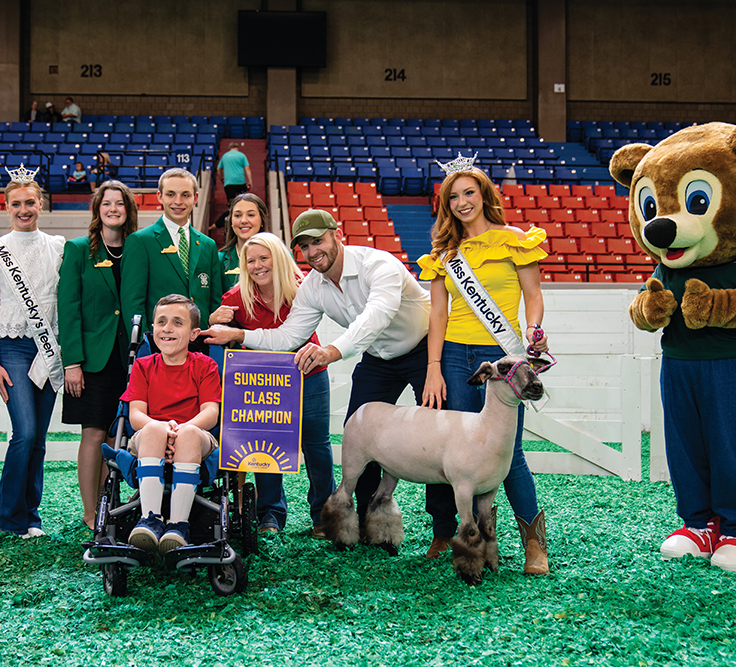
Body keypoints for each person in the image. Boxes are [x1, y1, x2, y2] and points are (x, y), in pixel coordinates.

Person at [203, 209, 430, 528]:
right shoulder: (311, 286)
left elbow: (376, 315)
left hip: (423, 350)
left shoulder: (378, 264)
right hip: (375, 358)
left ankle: (446, 527)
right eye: (305, 247)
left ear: (336, 233)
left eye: (318, 241)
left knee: (435, 433)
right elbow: (288, 336)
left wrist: (331, 351)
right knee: (358, 433)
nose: (313, 252)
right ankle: (365, 519)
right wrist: (238, 333)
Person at [417, 163, 551, 574]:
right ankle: (477, 544)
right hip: (455, 354)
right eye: (453, 197)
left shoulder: (515, 241)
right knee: (463, 450)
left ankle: (534, 544)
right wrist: (433, 367)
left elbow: (534, 295)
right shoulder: (444, 252)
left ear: (485, 194)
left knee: (511, 455)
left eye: (468, 193)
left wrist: (534, 331)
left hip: (504, 354)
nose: (461, 203)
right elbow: (438, 313)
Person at [0, 174, 65, 538]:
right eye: (17, 204)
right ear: (7, 207)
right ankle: (9, 517)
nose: (24, 209)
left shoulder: (59, 246)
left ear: (40, 205)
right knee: (24, 432)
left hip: (49, 347)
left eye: (30, 202)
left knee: (40, 439)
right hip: (12, 346)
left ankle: (31, 515)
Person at [59, 180, 139, 530]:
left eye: (119, 204)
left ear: (128, 210)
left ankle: (112, 509)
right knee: (93, 435)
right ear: (97, 210)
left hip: (130, 359)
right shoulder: (78, 250)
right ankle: (91, 514)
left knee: (116, 437)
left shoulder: (137, 248)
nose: (112, 209)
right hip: (92, 360)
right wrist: (72, 362)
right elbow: (68, 308)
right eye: (106, 204)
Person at [125, 294, 222, 554]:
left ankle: (179, 524)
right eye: (161, 322)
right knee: (153, 427)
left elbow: (211, 412)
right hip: (151, 437)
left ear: (194, 333)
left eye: (178, 323)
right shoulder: (144, 366)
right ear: (153, 329)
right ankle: (151, 519)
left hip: (195, 437)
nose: (167, 328)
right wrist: (165, 430)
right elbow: (135, 415)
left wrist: (179, 431)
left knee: (190, 432)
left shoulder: (205, 365)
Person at [121, 168, 223, 350]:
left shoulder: (208, 245)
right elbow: (133, 302)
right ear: (159, 196)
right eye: (171, 194)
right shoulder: (140, 241)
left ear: (196, 198)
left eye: (185, 195)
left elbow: (214, 301)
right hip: (159, 346)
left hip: (200, 347)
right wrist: (145, 345)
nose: (178, 201)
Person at [218, 193, 266, 288]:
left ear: (262, 220)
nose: (244, 220)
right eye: (237, 215)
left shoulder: (280, 256)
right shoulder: (219, 259)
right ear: (231, 221)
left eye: (251, 215)